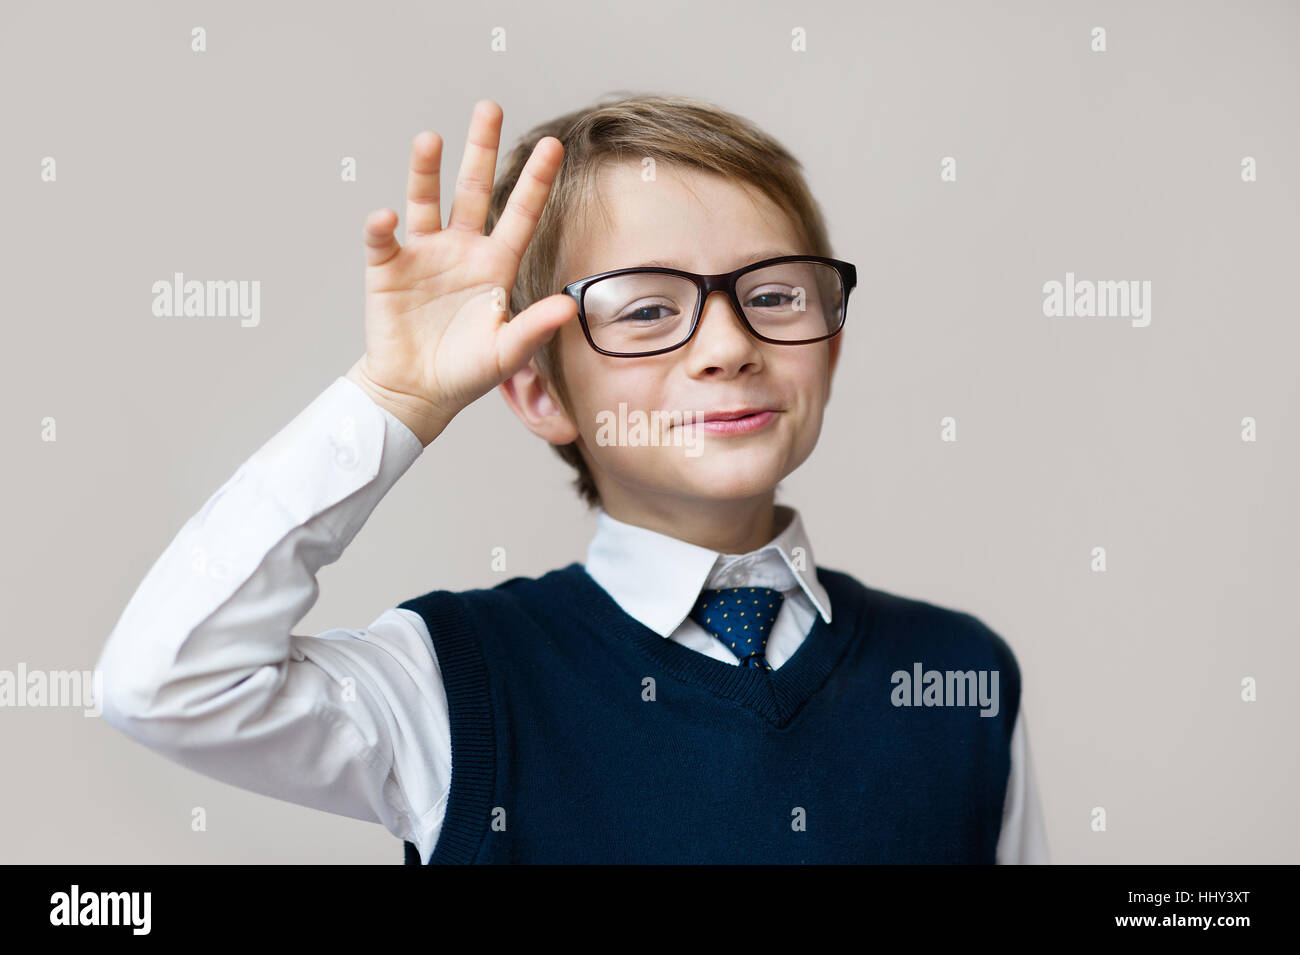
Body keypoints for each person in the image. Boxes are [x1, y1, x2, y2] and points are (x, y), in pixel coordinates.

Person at [96, 93, 1049, 864]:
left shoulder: (959, 672)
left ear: (831, 345)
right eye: (645, 311)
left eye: (771, 295)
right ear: (540, 394)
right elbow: (166, 682)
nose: (728, 344)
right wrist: (395, 398)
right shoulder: (455, 685)